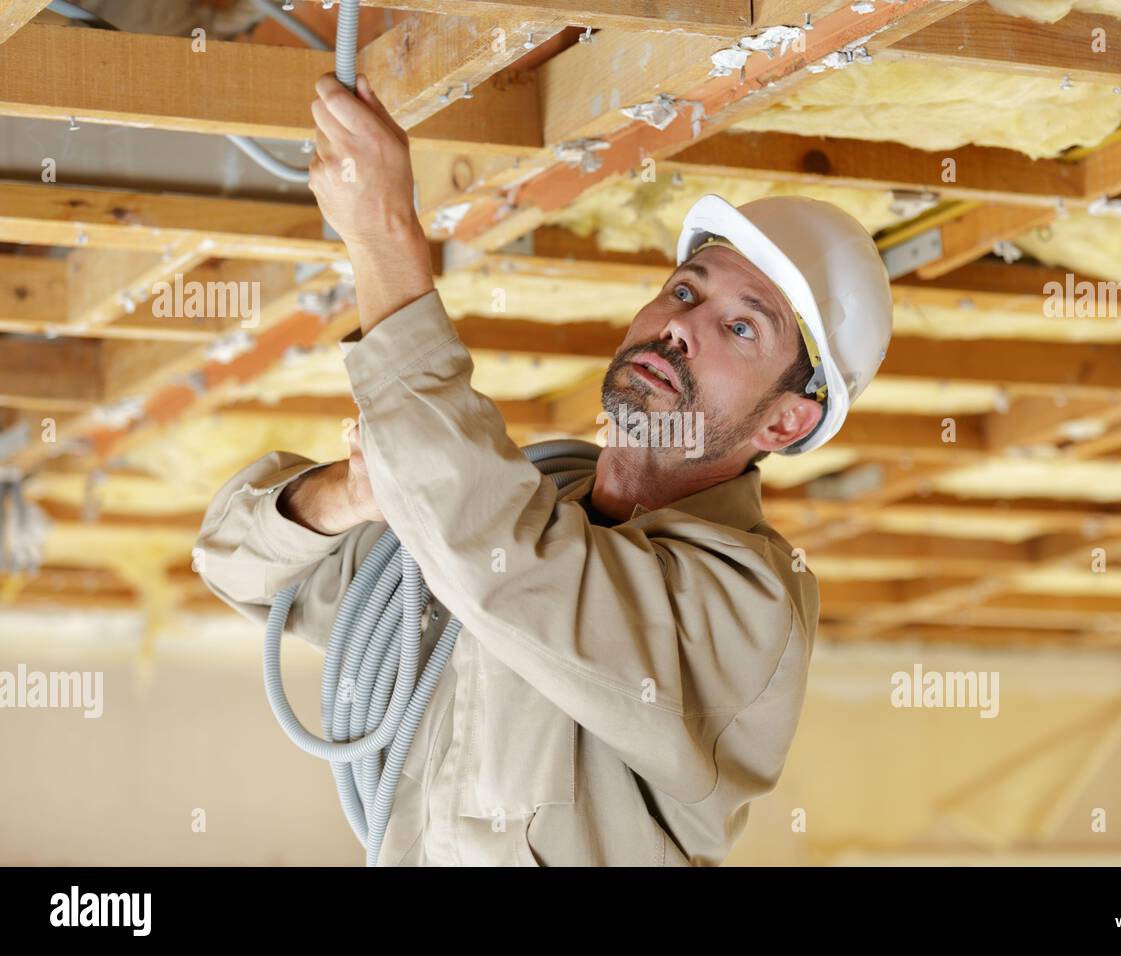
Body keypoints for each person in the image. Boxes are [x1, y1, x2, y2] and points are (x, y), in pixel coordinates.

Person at [195, 74, 892, 866]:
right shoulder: (509, 520)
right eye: (684, 291)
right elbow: (233, 559)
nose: (681, 329)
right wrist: (350, 494)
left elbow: (505, 561)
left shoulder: (748, 603)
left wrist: (385, 236)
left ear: (784, 419)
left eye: (739, 326)